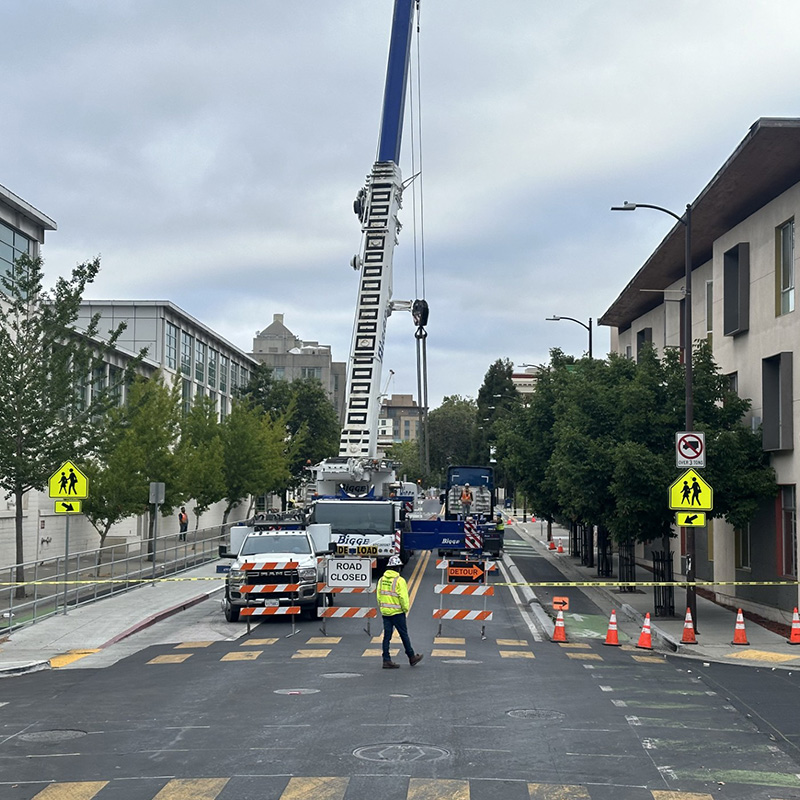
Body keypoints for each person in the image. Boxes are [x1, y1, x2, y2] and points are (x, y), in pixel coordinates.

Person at [376, 555, 423, 669]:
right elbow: (403, 597)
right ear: (397, 568)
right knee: (404, 635)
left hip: (386, 612)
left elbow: (378, 595)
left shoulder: (382, 579)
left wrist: (383, 608)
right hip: (397, 612)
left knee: (387, 637)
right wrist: (405, 609)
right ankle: (411, 657)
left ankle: (386, 659)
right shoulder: (399, 580)